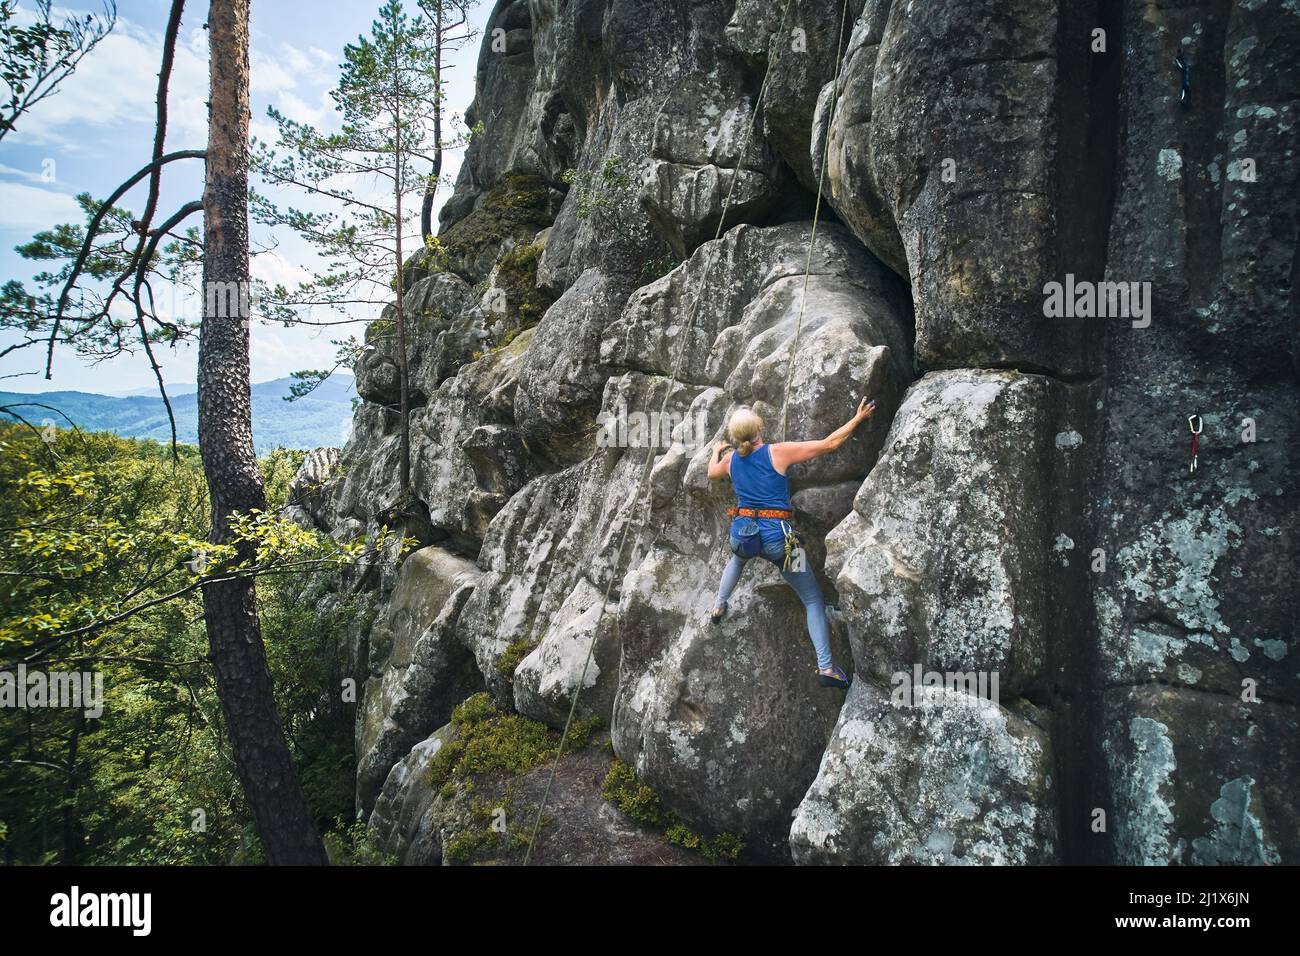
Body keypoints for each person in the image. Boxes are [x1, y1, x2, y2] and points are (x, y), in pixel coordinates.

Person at [706, 398, 875, 689]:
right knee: (812, 599)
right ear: (760, 428)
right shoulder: (777, 453)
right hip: (781, 543)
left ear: (735, 438)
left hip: (743, 535)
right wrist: (857, 419)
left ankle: (719, 605)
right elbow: (829, 444)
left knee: (737, 559)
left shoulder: (731, 459)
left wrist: (715, 452)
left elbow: (711, 473)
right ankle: (826, 668)